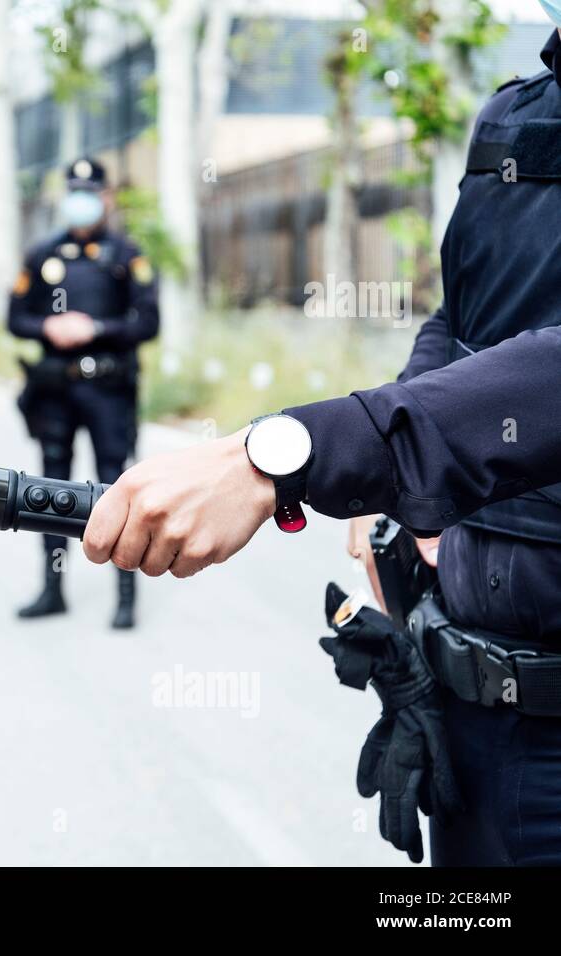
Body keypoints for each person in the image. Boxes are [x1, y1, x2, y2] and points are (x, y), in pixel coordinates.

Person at [82, 20, 561, 866]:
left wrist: (284, 456)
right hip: (476, 718)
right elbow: (463, 319)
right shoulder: (517, 120)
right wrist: (402, 494)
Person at [7, 157, 159, 629]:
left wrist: (93, 327)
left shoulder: (125, 257)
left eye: (91, 192)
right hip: (55, 389)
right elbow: (14, 319)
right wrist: (49, 326)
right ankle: (53, 589)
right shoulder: (40, 255)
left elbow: (148, 322)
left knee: (115, 487)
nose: (82, 200)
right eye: (74, 191)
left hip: (108, 390)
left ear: (107, 197)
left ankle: (125, 595)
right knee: (49, 490)